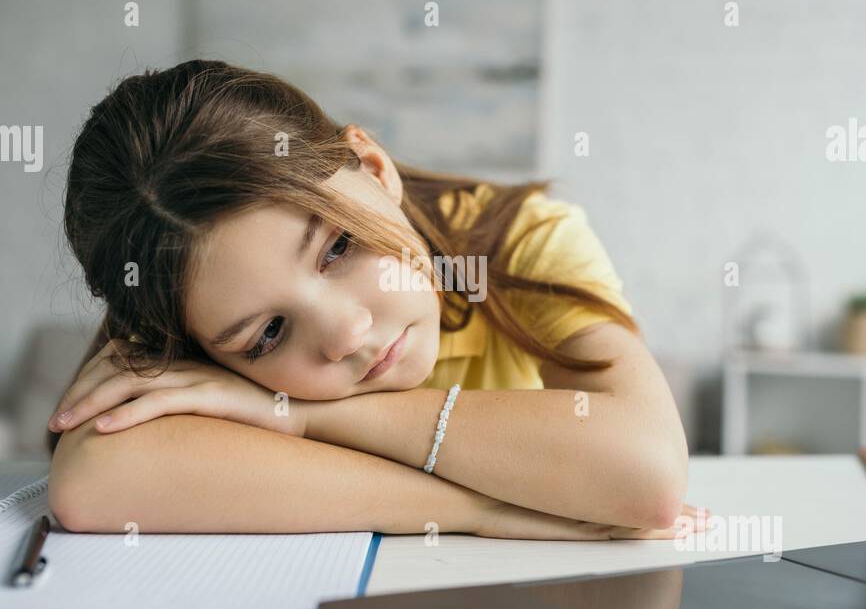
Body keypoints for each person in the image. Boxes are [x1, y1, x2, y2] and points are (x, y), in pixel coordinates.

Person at [47, 60, 703, 542]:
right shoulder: (177, 309)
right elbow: (90, 482)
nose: (347, 331)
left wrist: (297, 416)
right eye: (268, 334)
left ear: (374, 167)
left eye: (337, 248)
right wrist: (486, 512)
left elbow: (646, 477)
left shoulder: (520, 243)